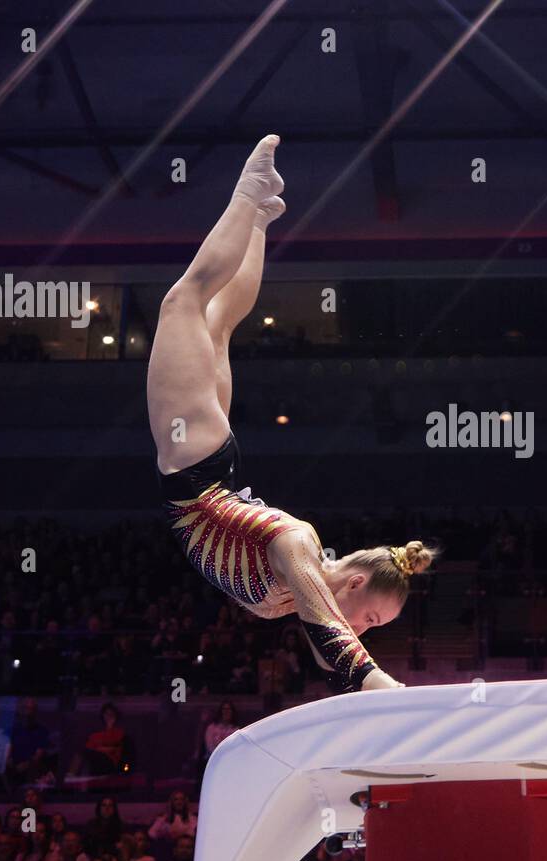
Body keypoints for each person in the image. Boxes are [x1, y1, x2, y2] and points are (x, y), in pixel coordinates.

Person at [144, 133, 436, 694]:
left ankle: (259, 217)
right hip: (192, 465)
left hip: (207, 463)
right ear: (352, 582)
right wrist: (382, 687)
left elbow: (325, 639)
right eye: (371, 619)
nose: (364, 631)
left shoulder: (291, 597)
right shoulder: (298, 543)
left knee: (217, 321)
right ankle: (250, 194)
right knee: (184, 301)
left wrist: (359, 668)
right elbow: (333, 641)